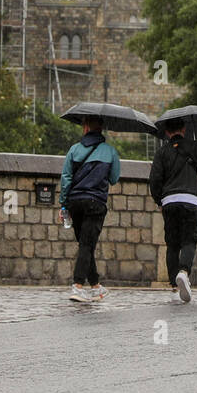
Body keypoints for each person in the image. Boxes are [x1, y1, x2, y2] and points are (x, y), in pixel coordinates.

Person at [148, 117, 197, 303]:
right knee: (189, 241)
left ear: (167, 132)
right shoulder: (196, 147)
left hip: (169, 201)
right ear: (184, 129)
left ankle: (174, 285)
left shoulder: (162, 152)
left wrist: (159, 201)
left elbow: (154, 181)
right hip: (192, 200)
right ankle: (184, 272)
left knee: (172, 243)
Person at [60, 117, 121, 303]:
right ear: (101, 129)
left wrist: (64, 205)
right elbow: (114, 178)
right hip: (95, 203)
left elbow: (66, 179)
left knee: (85, 245)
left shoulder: (74, 150)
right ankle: (77, 286)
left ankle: (95, 286)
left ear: (85, 127)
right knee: (87, 245)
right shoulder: (110, 152)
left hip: (75, 202)